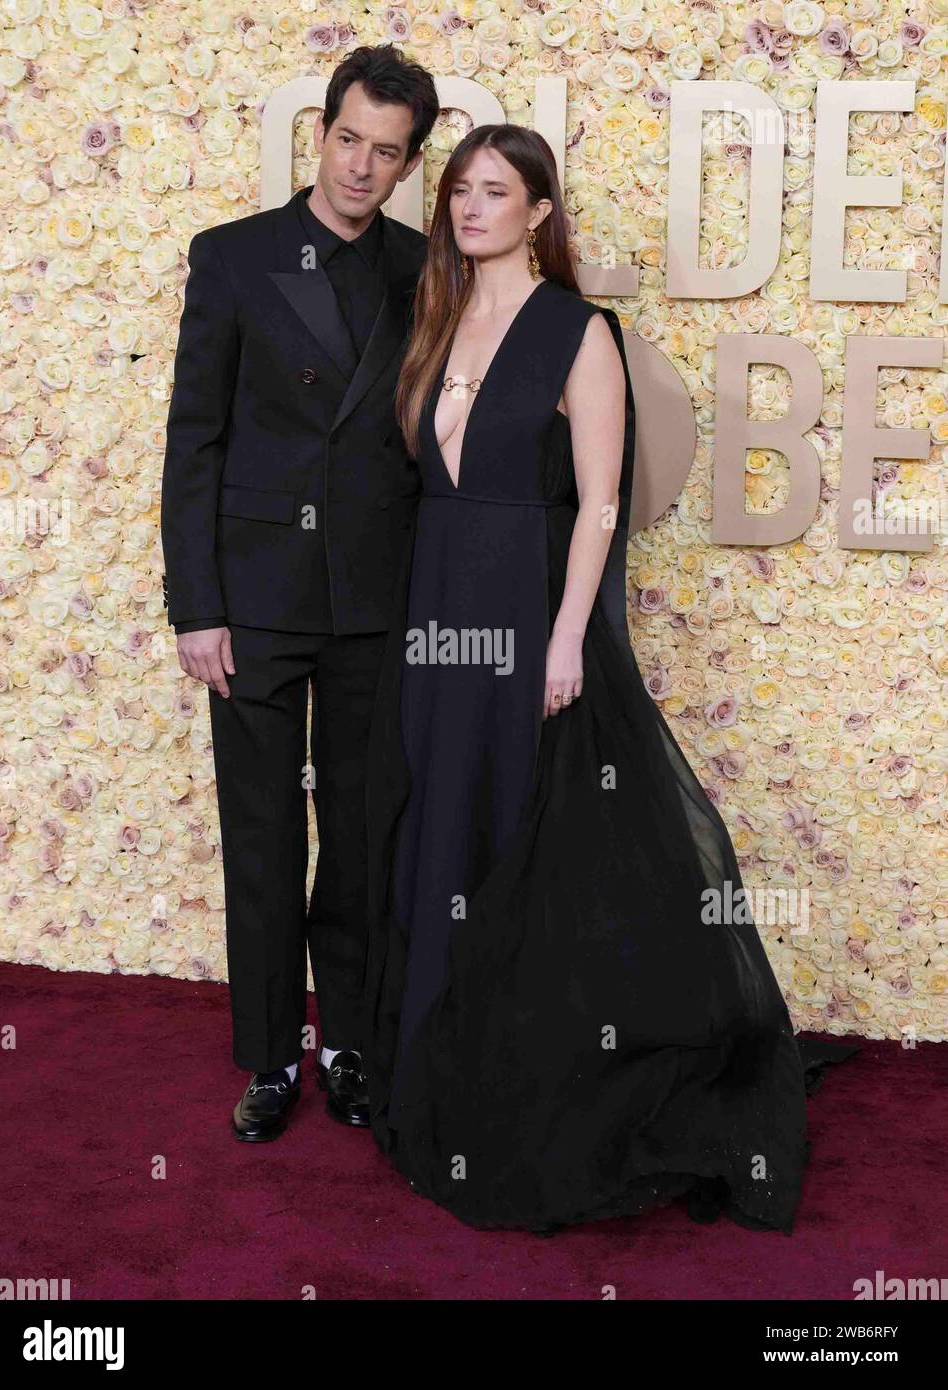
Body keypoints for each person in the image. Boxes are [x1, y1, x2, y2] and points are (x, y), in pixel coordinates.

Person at [362, 123, 854, 1234]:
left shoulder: (578, 333)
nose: (469, 208)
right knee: (438, 822)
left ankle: (514, 1082)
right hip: (436, 606)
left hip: (526, 608)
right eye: (457, 191)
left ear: (541, 211)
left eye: (496, 192)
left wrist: (569, 636)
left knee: (519, 838)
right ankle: (428, 1066)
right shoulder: (434, 316)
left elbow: (597, 502)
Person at [160, 46, 438, 1140]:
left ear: (409, 161)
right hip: (258, 602)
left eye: (387, 152)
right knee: (264, 835)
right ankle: (274, 1056)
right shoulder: (231, 258)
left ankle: (353, 1046)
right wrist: (197, 607)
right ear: (317, 134)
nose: (362, 167)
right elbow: (197, 439)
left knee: (366, 835)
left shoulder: (428, 269)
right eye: (349, 140)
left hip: (379, 601)